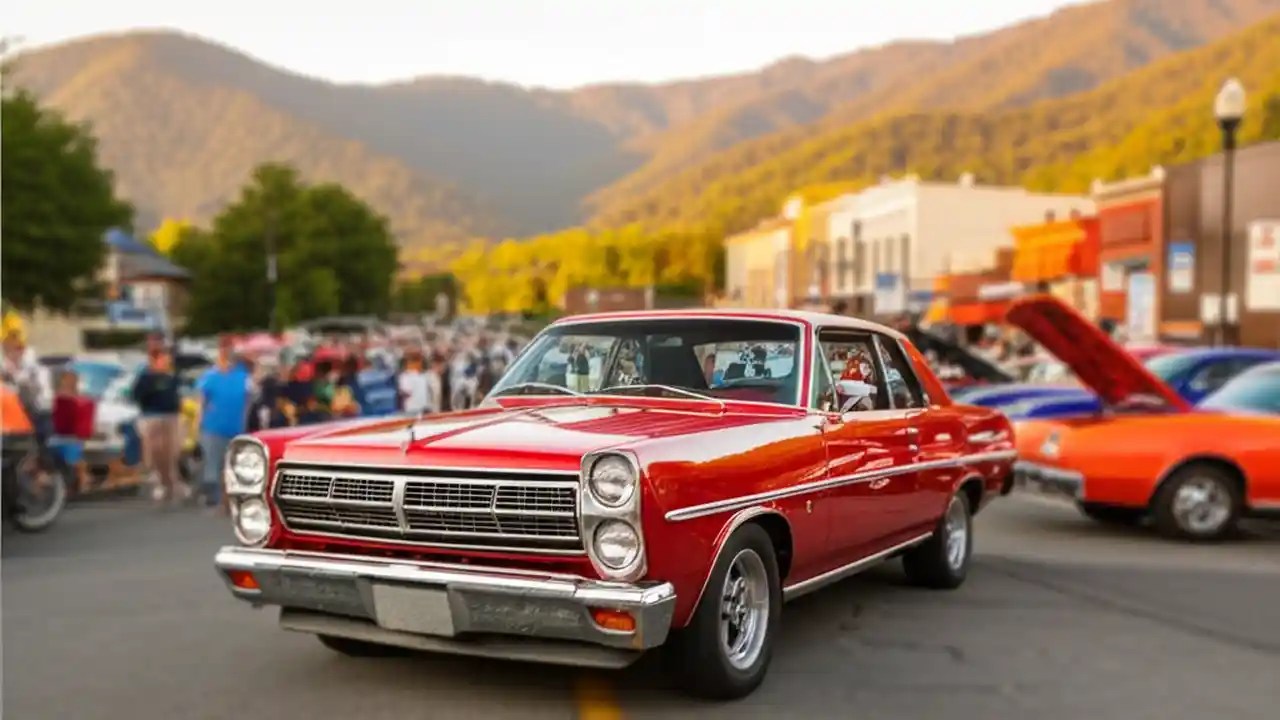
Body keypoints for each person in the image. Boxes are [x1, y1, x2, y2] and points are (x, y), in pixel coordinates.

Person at [196, 337, 251, 511]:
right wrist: (199, 425)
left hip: (236, 428)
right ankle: (217, 500)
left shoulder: (243, 374)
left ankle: (230, 501)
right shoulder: (209, 376)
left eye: (230, 350)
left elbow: (249, 400)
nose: (227, 354)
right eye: (224, 350)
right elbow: (201, 402)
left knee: (234, 466)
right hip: (213, 428)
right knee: (214, 465)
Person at [132, 346, 186, 505]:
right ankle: (159, 483)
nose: (167, 361)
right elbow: (137, 395)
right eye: (163, 358)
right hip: (153, 417)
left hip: (172, 417)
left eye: (168, 358)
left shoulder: (172, 377)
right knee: (156, 451)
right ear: (154, 360)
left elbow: (179, 394)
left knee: (172, 452)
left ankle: (173, 484)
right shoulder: (145, 378)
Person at [398, 347, 432, 415]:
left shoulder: (423, 376)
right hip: (411, 410)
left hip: (422, 409)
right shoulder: (405, 376)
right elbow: (405, 393)